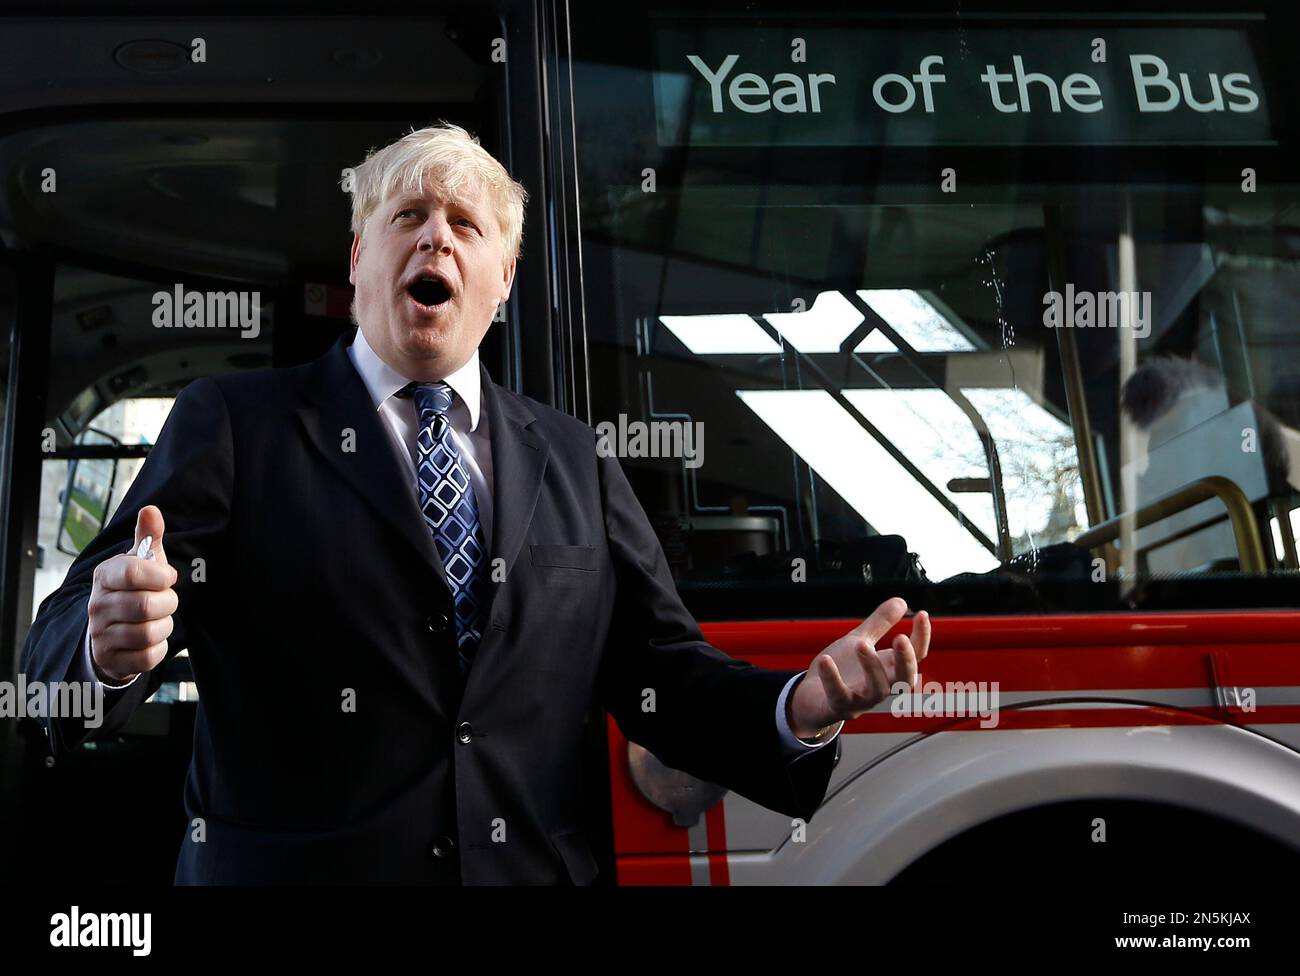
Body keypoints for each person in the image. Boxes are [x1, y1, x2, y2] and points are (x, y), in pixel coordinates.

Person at [20, 122, 932, 885]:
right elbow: (65, 631)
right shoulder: (233, 424)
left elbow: (665, 678)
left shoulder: (574, 458)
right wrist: (105, 645)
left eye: (466, 223)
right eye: (406, 216)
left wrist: (801, 707)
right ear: (358, 260)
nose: (436, 239)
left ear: (503, 276)